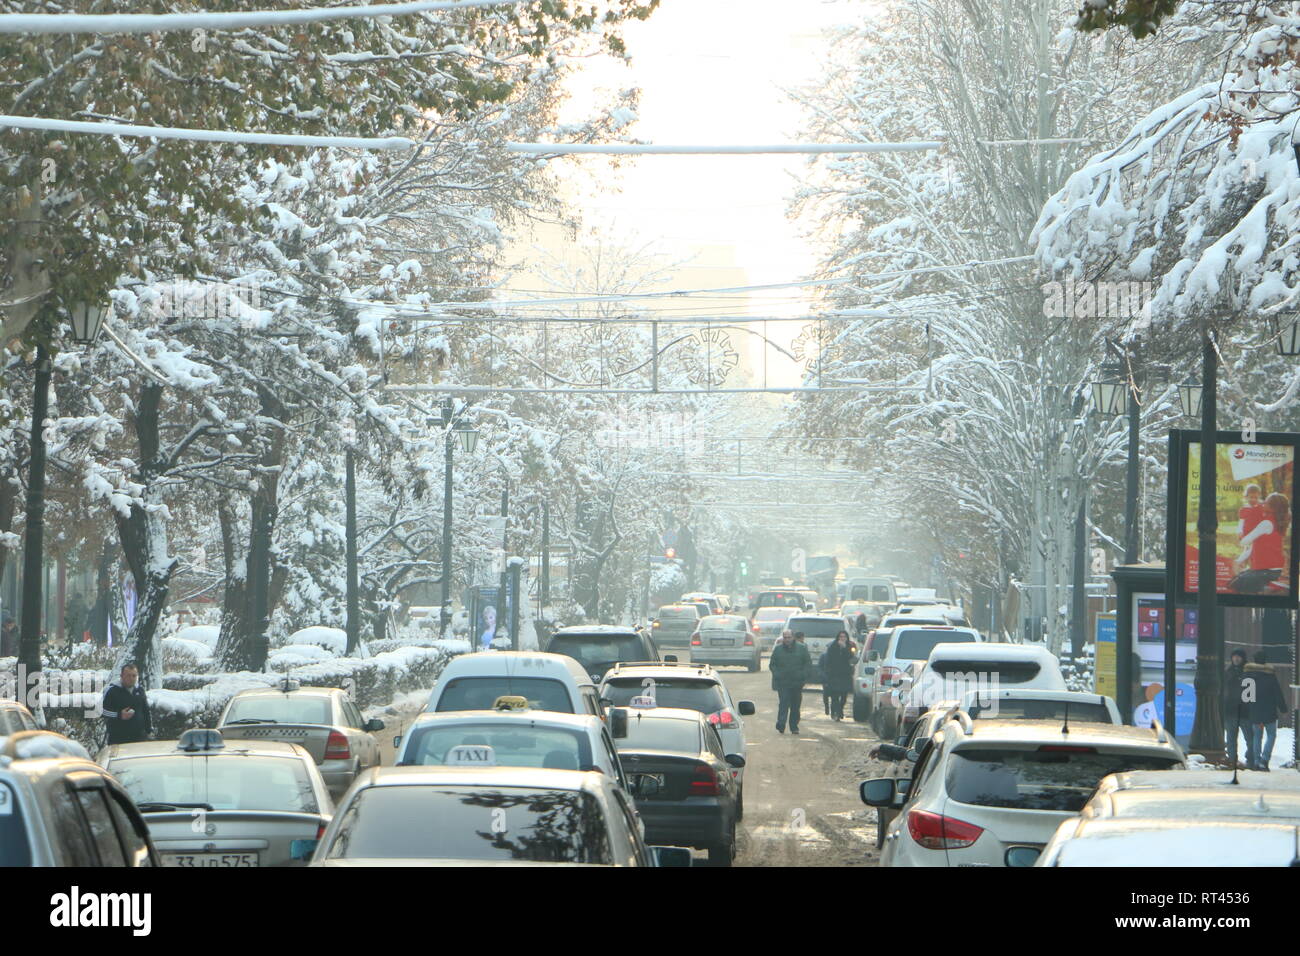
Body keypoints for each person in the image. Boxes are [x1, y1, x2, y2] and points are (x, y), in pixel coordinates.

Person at [1243, 651, 1288, 771]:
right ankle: (1264, 760)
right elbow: (1277, 693)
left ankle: (1257, 762)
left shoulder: (1248, 675)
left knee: (1257, 737)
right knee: (1271, 735)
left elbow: (1245, 696)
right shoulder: (1270, 675)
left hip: (1255, 711)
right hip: (1269, 711)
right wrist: (1283, 709)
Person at [769, 629, 812, 735]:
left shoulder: (801, 648)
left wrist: (803, 675)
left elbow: (807, 663)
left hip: (797, 683)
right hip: (783, 682)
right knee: (783, 703)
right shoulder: (778, 649)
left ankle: (794, 726)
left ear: (793, 637)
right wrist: (777, 674)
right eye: (785, 637)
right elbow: (772, 664)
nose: (787, 640)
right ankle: (781, 724)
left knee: (795, 706)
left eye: (789, 637)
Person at [101, 663, 152, 745]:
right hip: (118, 739)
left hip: (139, 738)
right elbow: (101, 711)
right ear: (121, 676)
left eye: (134, 676)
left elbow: (146, 711)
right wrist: (119, 715)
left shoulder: (140, 690)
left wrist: (149, 730)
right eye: (128, 675)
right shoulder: (112, 691)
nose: (131, 678)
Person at [1223, 647, 1248, 767]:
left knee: (1249, 738)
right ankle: (1232, 760)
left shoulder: (1248, 673)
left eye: (1239, 656)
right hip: (1231, 711)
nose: (1236, 658)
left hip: (1245, 711)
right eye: (1234, 656)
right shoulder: (1227, 672)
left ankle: (1251, 759)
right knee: (1231, 739)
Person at [823, 630, 856, 721]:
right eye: (840, 637)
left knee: (844, 697)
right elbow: (828, 661)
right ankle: (835, 713)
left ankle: (840, 709)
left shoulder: (850, 647)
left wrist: (845, 648)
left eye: (844, 637)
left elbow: (851, 658)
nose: (842, 638)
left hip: (845, 675)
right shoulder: (832, 647)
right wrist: (827, 673)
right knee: (835, 696)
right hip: (834, 675)